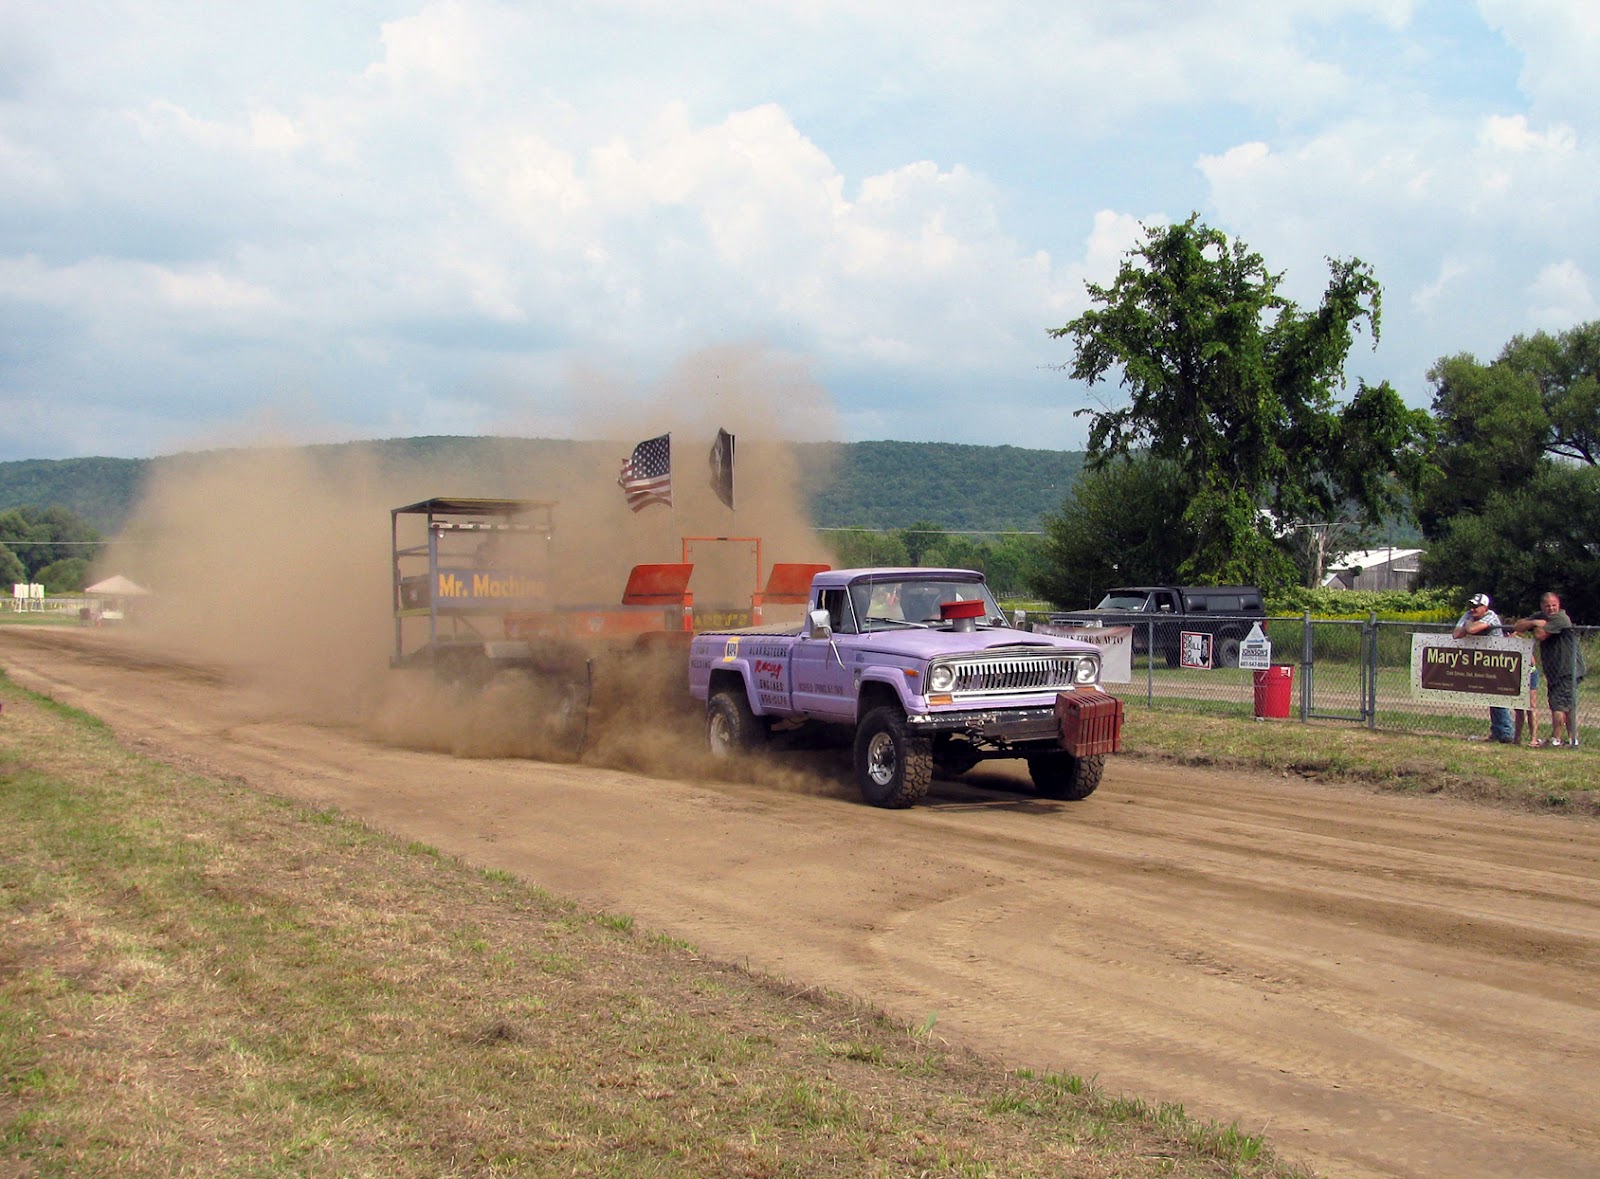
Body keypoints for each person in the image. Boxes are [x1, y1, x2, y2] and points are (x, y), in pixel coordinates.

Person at [1510, 592, 1584, 747]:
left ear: (1559, 605)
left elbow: (1539, 634)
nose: (1551, 608)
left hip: (1567, 669)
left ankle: (1556, 740)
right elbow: (1517, 627)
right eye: (1547, 606)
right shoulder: (1541, 616)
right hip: (1555, 670)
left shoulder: (1561, 618)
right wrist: (1537, 621)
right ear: (1542, 606)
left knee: (1558, 705)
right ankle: (1572, 740)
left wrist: (1536, 625)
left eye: (1554, 605)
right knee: (1566, 705)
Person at [1453, 592, 1514, 744]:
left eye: (1476, 606)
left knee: (1499, 695)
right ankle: (1497, 732)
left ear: (1485, 607)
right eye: (1471, 606)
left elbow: (1472, 630)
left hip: (1498, 660)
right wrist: (1469, 625)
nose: (1473, 609)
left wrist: (1468, 625)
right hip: (1483, 662)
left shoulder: (1491, 616)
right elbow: (1456, 634)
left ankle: (1506, 732)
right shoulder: (1468, 615)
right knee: (1491, 696)